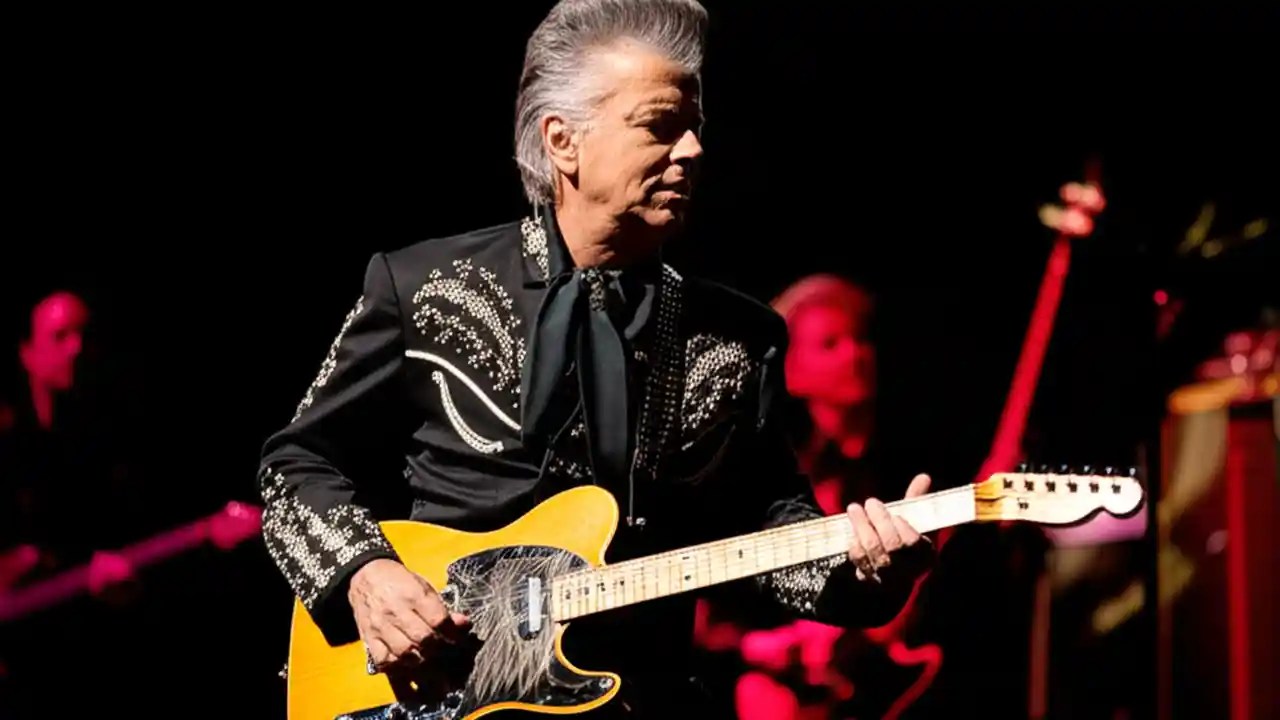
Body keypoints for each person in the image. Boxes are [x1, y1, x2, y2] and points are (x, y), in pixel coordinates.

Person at [257, 1, 934, 717]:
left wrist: (867, 577)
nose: (693, 150)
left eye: (696, 126)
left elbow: (767, 528)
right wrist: (366, 576)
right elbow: (294, 465)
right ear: (563, 142)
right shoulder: (426, 283)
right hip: (436, 694)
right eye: (660, 125)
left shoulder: (739, 334)